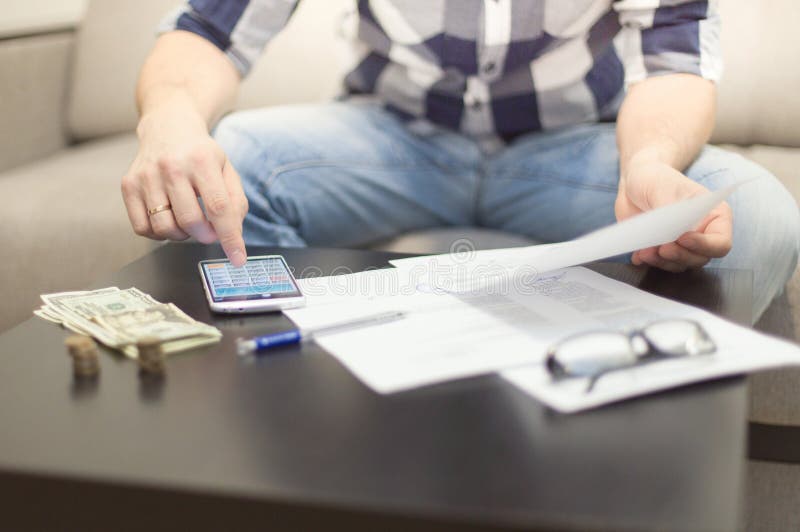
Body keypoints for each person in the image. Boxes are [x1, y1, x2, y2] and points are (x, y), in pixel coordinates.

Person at [122, 0, 799, 321]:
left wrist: (649, 161)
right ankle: (305, 399)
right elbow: (208, 32)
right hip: (395, 138)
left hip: (570, 147)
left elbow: (673, 60)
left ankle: (633, 428)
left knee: (753, 216)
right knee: (227, 167)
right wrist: (169, 119)